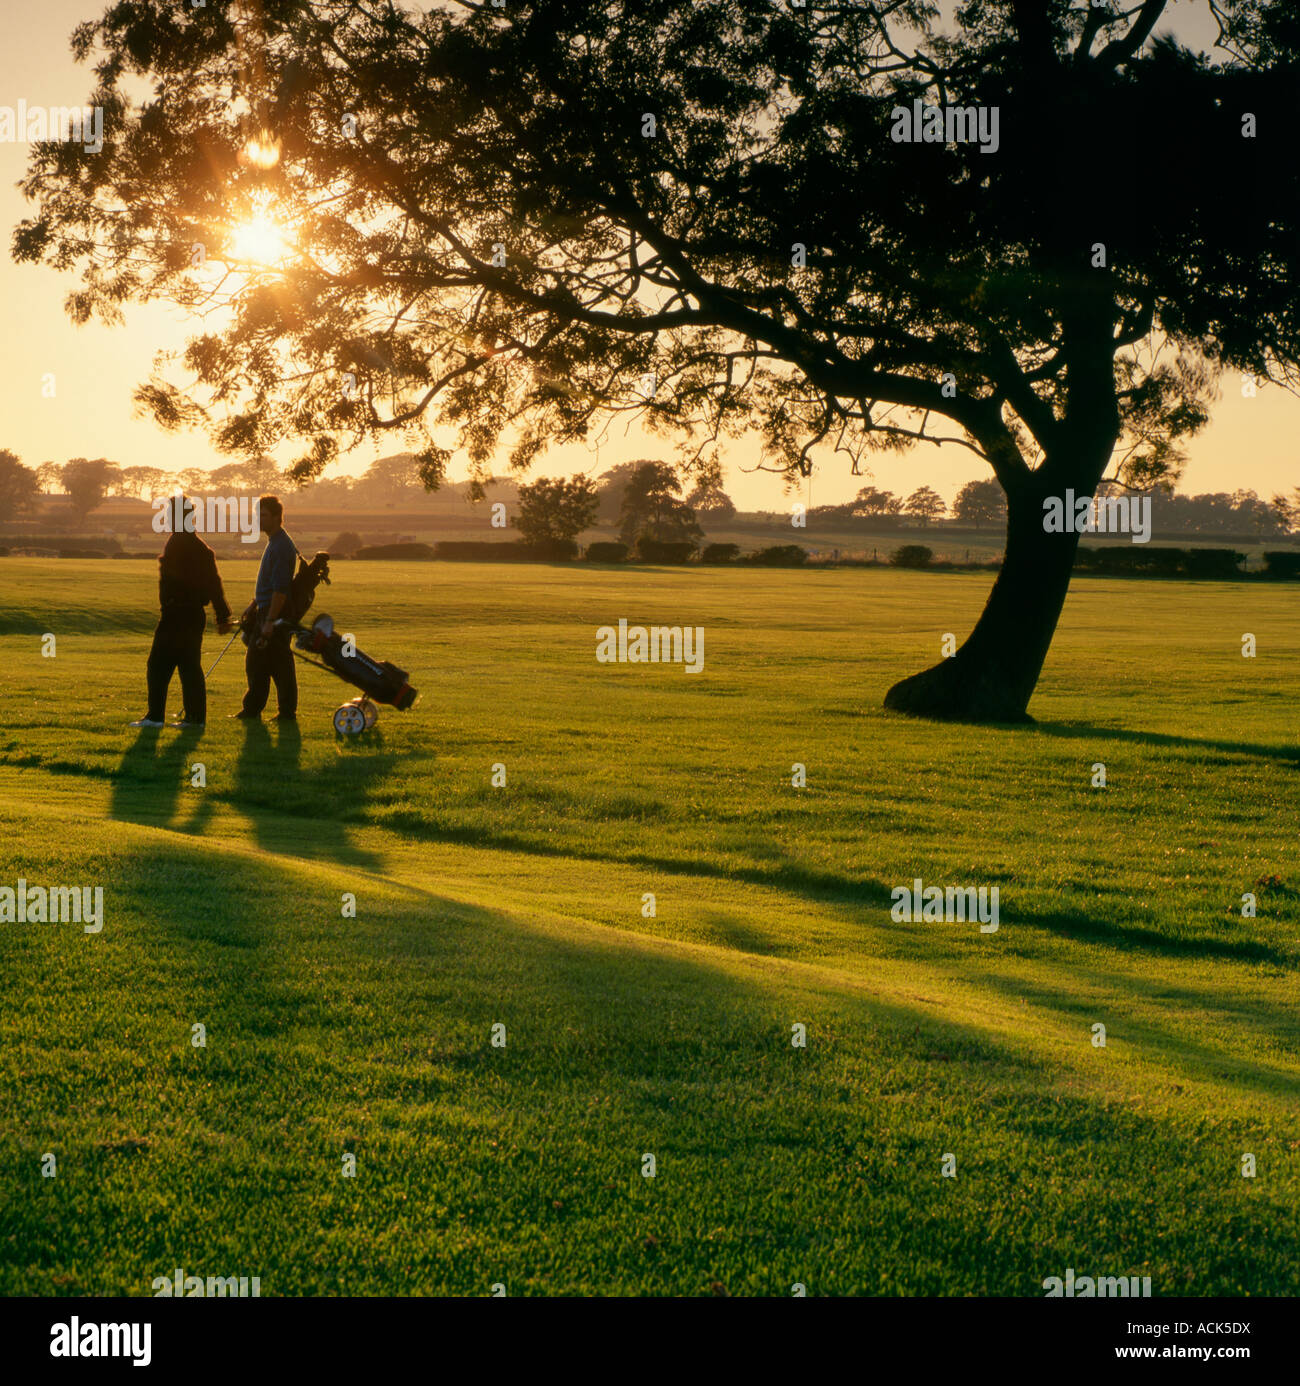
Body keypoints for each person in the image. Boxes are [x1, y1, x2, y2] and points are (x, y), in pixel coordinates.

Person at [129, 496, 232, 729]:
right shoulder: (201, 547)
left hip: (177, 614)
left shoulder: (178, 542)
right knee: (188, 666)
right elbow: (214, 584)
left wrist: (222, 615)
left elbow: (208, 583)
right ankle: (194, 719)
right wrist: (222, 615)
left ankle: (156, 717)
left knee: (158, 665)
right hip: (193, 614)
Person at [235, 493, 298, 721]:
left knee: (266, 662)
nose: (259, 520)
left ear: (277, 517)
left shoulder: (281, 546)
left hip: (274, 614)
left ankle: (272, 711)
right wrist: (254, 605)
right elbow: (270, 584)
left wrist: (269, 621)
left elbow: (280, 590)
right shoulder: (275, 542)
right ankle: (265, 710)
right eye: (257, 515)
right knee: (268, 663)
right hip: (265, 610)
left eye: (263, 516)